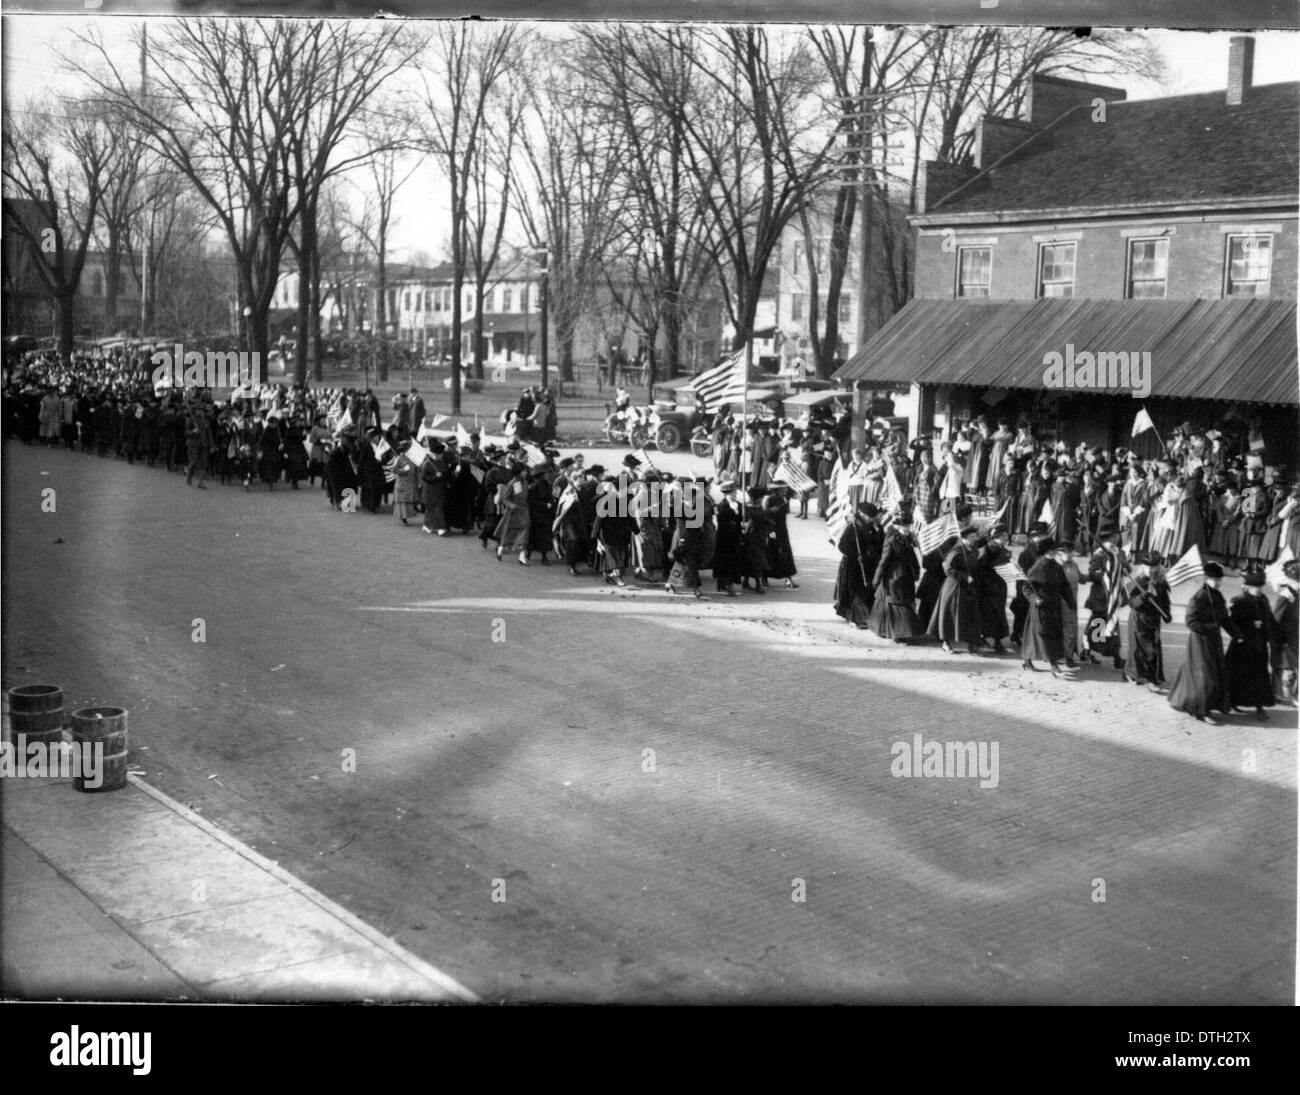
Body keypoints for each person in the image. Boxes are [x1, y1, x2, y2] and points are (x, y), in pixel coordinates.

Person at [1167, 562, 1239, 724]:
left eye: (1220, 579)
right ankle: (1201, 711)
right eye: (1215, 579)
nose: (1219, 582)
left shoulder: (1218, 596)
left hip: (1214, 641)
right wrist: (1211, 627)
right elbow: (1190, 621)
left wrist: (1237, 635)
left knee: (1208, 673)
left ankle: (1195, 703)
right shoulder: (1199, 597)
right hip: (1200, 642)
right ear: (1207, 579)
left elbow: (1224, 618)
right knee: (1204, 676)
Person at [1226, 571, 1275, 719]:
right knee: (1237, 674)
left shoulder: (1264, 599)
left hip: (1259, 645)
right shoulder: (1241, 601)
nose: (1258, 589)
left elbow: (1269, 618)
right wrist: (1251, 624)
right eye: (1255, 587)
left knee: (1259, 676)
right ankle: (1232, 701)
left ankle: (1259, 706)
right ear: (1247, 587)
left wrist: (1270, 631)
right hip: (1243, 646)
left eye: (1260, 586)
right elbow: (1233, 623)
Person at [928, 525, 983, 654]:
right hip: (954, 587)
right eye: (972, 536)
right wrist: (964, 577)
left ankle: (972, 643)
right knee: (950, 616)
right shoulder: (956, 551)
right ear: (964, 538)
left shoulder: (974, 550)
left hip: (969, 587)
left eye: (975, 536)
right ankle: (946, 642)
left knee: (971, 615)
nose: (975, 538)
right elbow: (948, 569)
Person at [868, 509, 922, 641]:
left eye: (908, 526)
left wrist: (916, 571)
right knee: (896, 604)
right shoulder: (891, 540)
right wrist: (876, 579)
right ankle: (898, 634)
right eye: (905, 526)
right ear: (897, 526)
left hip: (906, 576)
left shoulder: (908, 538)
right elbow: (883, 561)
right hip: (894, 577)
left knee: (905, 602)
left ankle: (899, 632)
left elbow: (913, 557)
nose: (907, 528)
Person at [1020, 540, 1072, 674]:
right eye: (1053, 550)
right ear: (1047, 552)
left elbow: (1064, 585)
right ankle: (1053, 664)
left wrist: (1070, 601)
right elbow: (1026, 588)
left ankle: (1027, 659)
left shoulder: (1057, 567)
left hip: (1054, 605)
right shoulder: (1036, 568)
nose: (1055, 552)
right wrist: (1035, 599)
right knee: (1044, 635)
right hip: (1040, 607)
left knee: (1050, 634)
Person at [1122, 552, 1170, 691]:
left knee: (1152, 648)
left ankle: (1149, 676)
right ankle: (1144, 678)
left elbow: (1165, 601)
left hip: (1154, 620)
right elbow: (1132, 603)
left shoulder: (1161, 582)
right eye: (1147, 566)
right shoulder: (1138, 581)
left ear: (1158, 568)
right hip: (1139, 619)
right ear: (1142, 567)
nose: (1150, 570)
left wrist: (1167, 614)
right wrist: (1142, 597)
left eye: (1153, 567)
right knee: (1138, 649)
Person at [1083, 528, 1126, 672]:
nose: (1115, 539)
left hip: (1113, 597)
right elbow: (1092, 574)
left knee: (1113, 626)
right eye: (1112, 536)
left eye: (1116, 536)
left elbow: (1127, 569)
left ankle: (1116, 656)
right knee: (1098, 626)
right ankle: (1088, 651)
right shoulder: (1099, 555)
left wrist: (1122, 568)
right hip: (1101, 597)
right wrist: (1105, 574)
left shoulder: (1119, 553)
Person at [834, 502, 882, 628]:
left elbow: (877, 544)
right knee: (854, 591)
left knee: (866, 590)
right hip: (852, 564)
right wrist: (855, 554)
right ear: (862, 514)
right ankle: (854, 618)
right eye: (869, 516)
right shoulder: (853, 527)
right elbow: (842, 546)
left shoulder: (872, 527)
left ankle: (865, 615)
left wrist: (879, 531)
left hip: (867, 564)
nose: (872, 519)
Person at [974, 525, 1013, 653]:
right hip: (989, 589)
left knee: (998, 615)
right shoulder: (988, 550)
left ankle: (997, 642)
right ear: (995, 537)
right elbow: (979, 568)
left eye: (1007, 535)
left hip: (999, 587)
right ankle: (989, 642)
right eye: (1003, 536)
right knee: (991, 616)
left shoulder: (1001, 548)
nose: (1006, 537)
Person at [1270, 559, 1299, 705]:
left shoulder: (1296, 595)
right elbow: (1276, 620)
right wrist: (1280, 640)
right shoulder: (1285, 597)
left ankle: (1285, 694)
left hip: (1294, 636)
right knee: (1285, 668)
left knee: (1290, 668)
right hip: (1284, 639)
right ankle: (1277, 694)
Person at [493, 461, 532, 564]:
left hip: (524, 511)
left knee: (524, 532)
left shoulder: (525, 482)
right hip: (514, 512)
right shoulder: (513, 483)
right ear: (519, 472)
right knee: (510, 532)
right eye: (524, 471)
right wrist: (512, 505)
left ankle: (522, 555)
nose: (526, 473)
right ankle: (501, 548)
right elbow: (505, 499)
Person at [712, 482, 746, 596]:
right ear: (728, 493)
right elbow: (722, 522)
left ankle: (732, 582)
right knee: (725, 561)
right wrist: (734, 523)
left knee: (735, 560)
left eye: (736, 491)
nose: (736, 493)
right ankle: (727, 584)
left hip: (735, 536)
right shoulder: (721, 506)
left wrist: (742, 521)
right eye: (734, 491)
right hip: (724, 538)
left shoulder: (739, 504)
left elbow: (742, 518)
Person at [421, 441, 451, 535]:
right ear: (433, 454)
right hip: (430, 490)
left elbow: (445, 473)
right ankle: (431, 526)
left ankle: (437, 526)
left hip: (440, 489)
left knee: (439, 508)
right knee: (431, 509)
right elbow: (424, 478)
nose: (440, 456)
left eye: (441, 454)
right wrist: (435, 477)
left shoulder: (442, 462)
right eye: (438, 454)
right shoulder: (427, 464)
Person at [391, 443, 419, 525]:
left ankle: (408, 514)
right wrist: (403, 469)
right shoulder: (399, 458)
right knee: (403, 501)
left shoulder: (412, 458)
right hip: (402, 482)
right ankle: (403, 517)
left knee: (409, 500)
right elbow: (394, 470)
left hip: (410, 483)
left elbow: (416, 470)